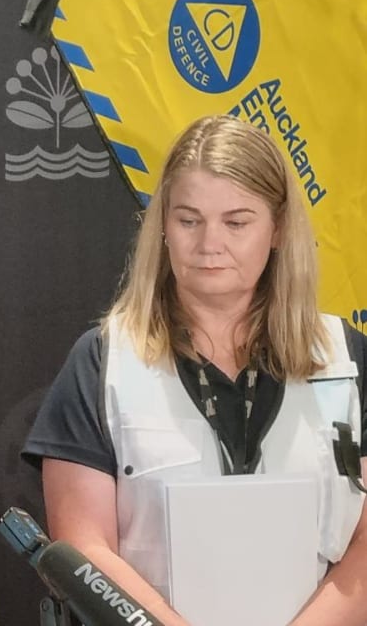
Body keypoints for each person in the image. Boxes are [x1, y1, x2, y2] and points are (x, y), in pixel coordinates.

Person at [22, 115, 366, 625]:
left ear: (277, 230)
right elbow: (83, 548)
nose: (209, 244)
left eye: (236, 221)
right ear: (162, 225)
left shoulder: (346, 358)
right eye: (189, 220)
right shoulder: (103, 362)